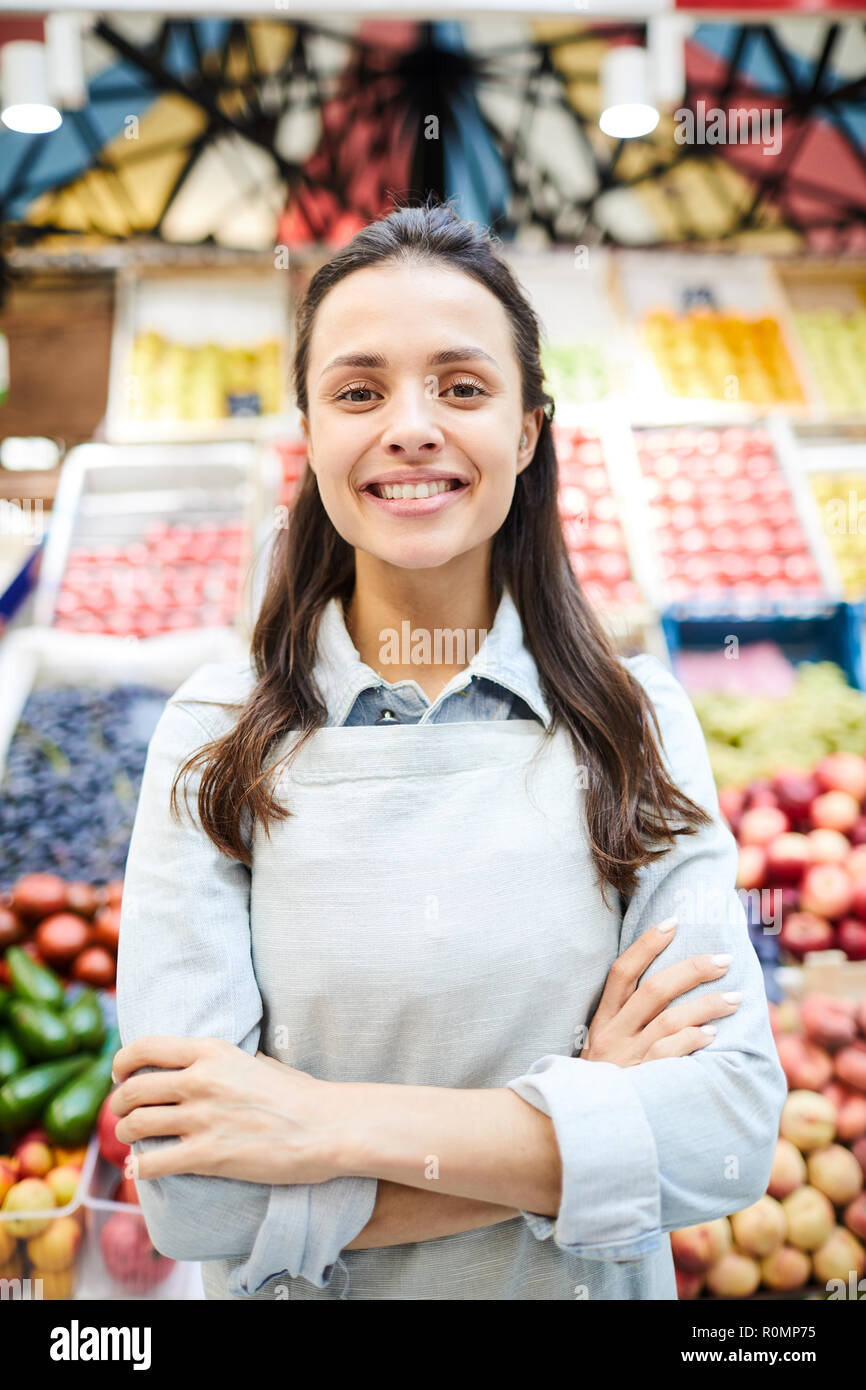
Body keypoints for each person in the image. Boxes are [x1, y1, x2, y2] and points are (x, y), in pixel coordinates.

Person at [111, 196, 787, 1301]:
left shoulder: (633, 719)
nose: (410, 424)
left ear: (525, 431)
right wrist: (587, 1114)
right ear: (310, 435)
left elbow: (723, 1135)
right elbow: (197, 1198)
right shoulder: (215, 734)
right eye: (359, 390)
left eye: (461, 386)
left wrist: (316, 1123)